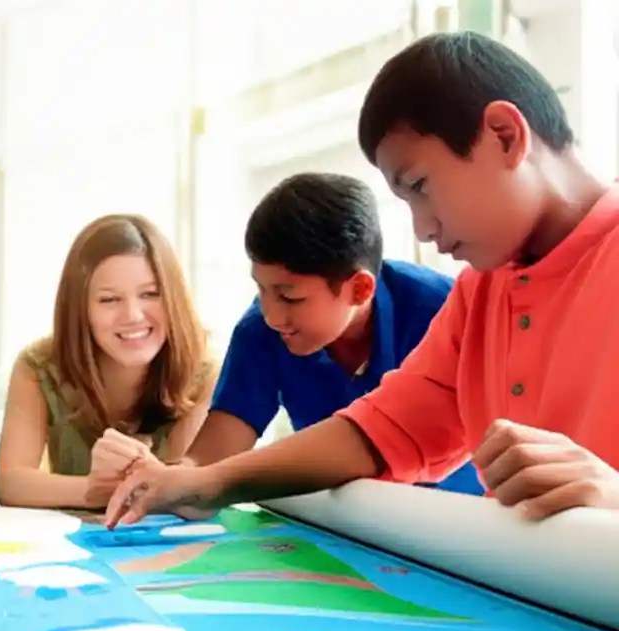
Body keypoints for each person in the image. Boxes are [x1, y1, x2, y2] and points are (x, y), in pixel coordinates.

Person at [106, 31, 619, 528]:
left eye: (419, 186)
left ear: (505, 135)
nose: (423, 227)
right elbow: (381, 430)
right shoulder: (479, 292)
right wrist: (207, 484)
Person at [187, 172, 481, 495]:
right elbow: (205, 466)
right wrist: (158, 476)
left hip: (459, 515)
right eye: (261, 289)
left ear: (359, 289)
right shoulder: (259, 330)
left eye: (289, 297)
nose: (271, 315)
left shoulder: (444, 310)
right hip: (337, 521)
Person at [0, 214, 215, 510]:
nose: (133, 315)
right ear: (79, 309)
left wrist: (149, 479)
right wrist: (90, 489)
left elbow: (194, 498)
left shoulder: (203, 370)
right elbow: (10, 482)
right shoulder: (39, 366)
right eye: (109, 300)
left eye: (150, 294)